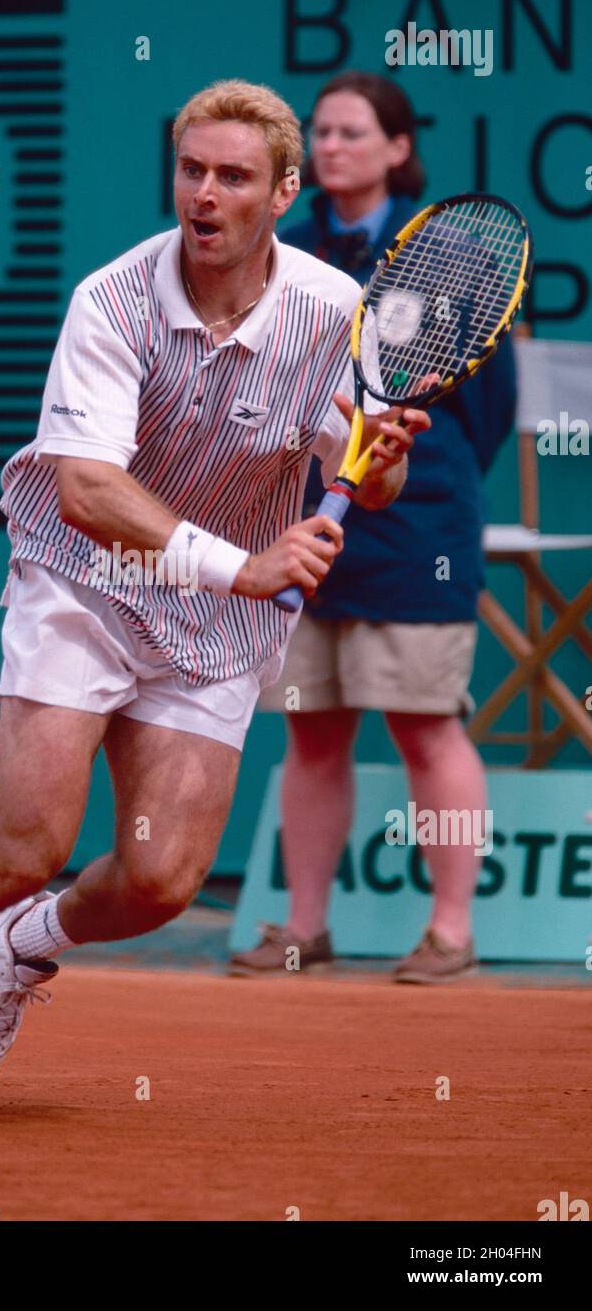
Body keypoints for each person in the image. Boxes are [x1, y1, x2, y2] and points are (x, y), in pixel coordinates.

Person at [0, 78, 430, 1121]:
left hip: (214, 622)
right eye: (191, 171)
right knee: (28, 839)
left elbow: (362, 465)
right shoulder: (113, 299)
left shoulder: (333, 312)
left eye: (233, 177)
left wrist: (385, 457)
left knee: (159, 879)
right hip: (87, 580)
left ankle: (20, 947)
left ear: (281, 193)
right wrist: (244, 565)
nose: (205, 194)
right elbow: (88, 489)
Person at [229, 71, 516, 985]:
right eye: (319, 131)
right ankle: (302, 931)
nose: (329, 146)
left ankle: (451, 929)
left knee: (425, 726)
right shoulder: (284, 249)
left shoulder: (450, 258)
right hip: (307, 529)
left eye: (352, 132)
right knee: (312, 732)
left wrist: (407, 471)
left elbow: (490, 407)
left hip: (419, 536)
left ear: (397, 148)